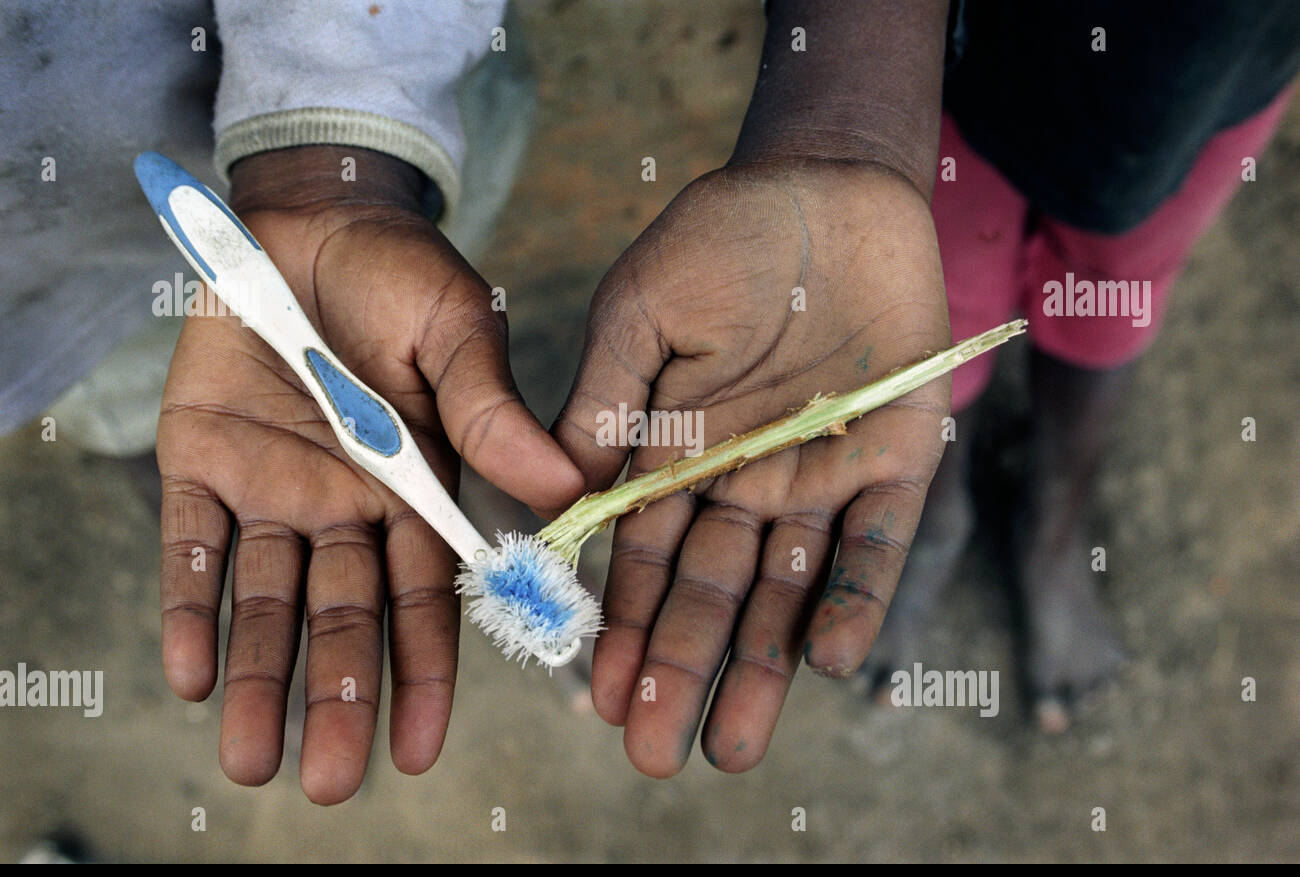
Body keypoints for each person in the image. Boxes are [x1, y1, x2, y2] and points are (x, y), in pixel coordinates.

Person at [4, 2, 1296, 804]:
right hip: (71, 285)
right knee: (935, 284)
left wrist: (849, 121)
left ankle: (1021, 487)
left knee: (1087, 237)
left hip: (1194, 55)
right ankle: (950, 463)